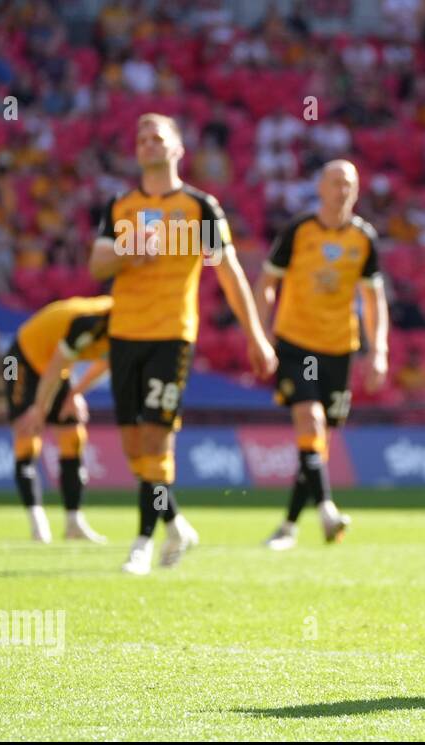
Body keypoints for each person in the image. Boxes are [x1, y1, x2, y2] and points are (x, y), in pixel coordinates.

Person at [89, 113, 277, 575]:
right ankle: (175, 523)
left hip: (172, 336)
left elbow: (230, 273)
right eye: (142, 138)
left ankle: (141, 542)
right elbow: (97, 265)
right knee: (134, 446)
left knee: (157, 436)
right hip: (125, 334)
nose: (149, 144)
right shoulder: (120, 205)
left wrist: (256, 334)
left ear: (178, 149)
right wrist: (132, 251)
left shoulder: (198, 207)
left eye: (159, 137)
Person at [256, 160, 389, 550]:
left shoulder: (364, 238)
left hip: (339, 349)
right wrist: (261, 335)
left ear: (357, 190)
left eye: (348, 183)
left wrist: (378, 349)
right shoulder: (298, 231)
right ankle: (328, 509)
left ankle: (289, 526)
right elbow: (266, 283)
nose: (341, 189)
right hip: (296, 341)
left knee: (316, 440)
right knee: (310, 420)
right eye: (334, 182)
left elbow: (373, 298)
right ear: (320, 188)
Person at [7, 297, 113, 543]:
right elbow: (56, 368)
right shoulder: (93, 321)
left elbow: (103, 364)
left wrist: (75, 394)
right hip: (16, 359)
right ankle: (37, 523)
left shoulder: (129, 326)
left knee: (73, 435)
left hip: (55, 365)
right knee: (26, 432)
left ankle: (74, 522)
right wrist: (39, 409)